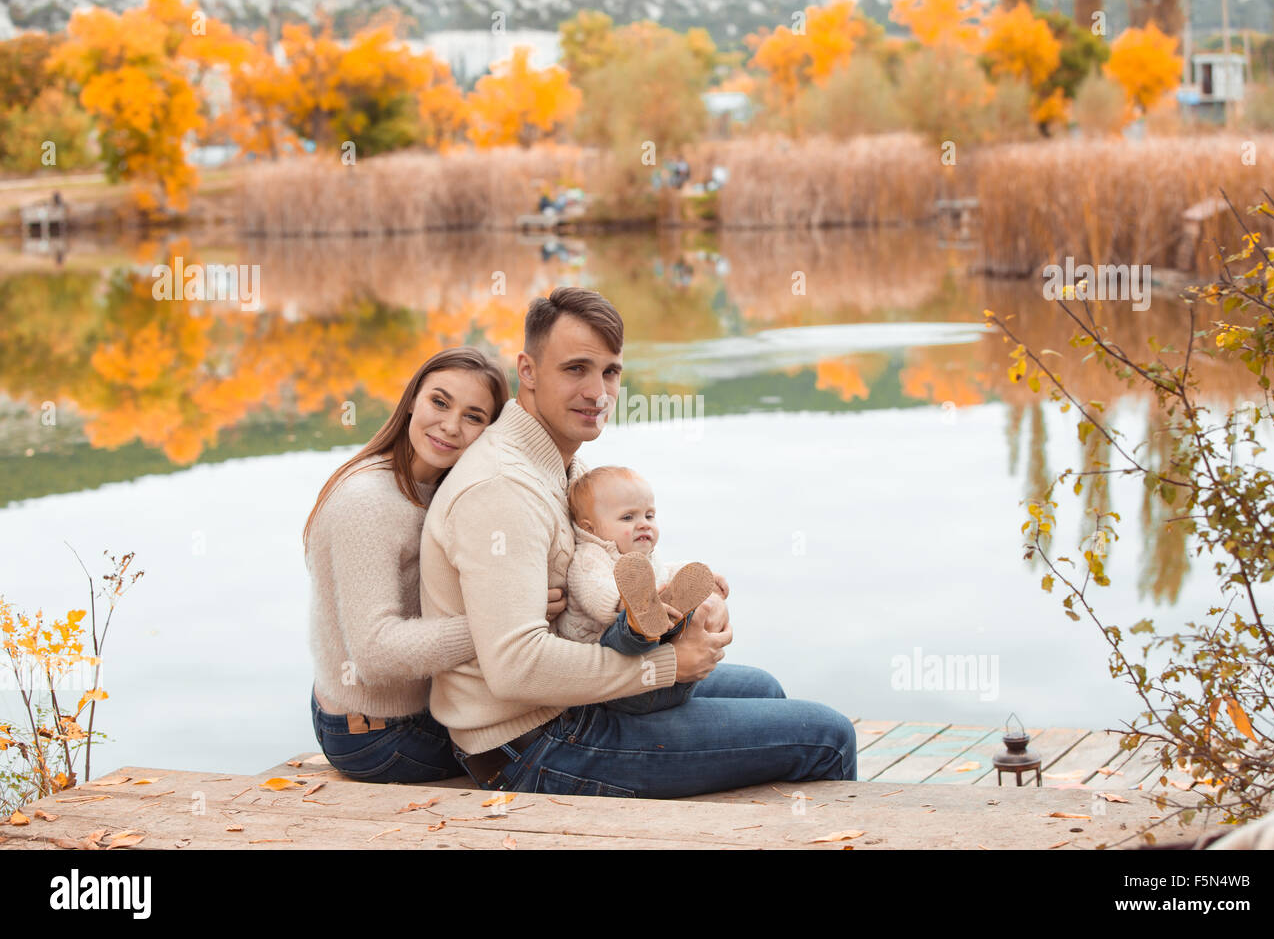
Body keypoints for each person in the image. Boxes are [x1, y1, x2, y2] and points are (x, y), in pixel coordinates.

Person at [420, 287, 858, 798]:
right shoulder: (501, 488)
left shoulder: (560, 462)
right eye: (576, 369)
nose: (597, 392)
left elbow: (612, 570)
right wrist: (668, 664)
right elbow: (516, 669)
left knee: (762, 688)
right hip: (529, 743)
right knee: (829, 736)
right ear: (529, 371)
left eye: (610, 372)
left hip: (566, 703)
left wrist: (693, 608)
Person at [303, 346, 568, 782]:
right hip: (375, 734)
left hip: (408, 711)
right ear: (411, 401)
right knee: (554, 736)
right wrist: (509, 619)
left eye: (474, 416)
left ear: (490, 431)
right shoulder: (366, 502)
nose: (450, 425)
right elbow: (375, 653)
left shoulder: (446, 489)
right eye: (439, 402)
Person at [559, 464, 719, 715]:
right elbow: (595, 593)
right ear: (590, 528)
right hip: (614, 684)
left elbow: (662, 573)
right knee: (630, 620)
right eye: (628, 517)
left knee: (673, 607)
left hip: (661, 678)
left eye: (649, 515)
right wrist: (628, 604)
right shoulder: (589, 558)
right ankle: (641, 621)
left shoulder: (643, 554)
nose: (643, 524)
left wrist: (699, 578)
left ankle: (669, 616)